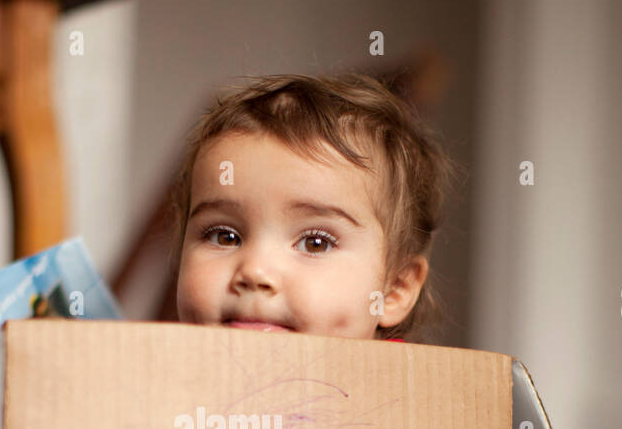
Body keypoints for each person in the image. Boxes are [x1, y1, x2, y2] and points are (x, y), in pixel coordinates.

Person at [168, 72, 457, 342]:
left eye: (315, 243)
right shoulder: (151, 382)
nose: (255, 272)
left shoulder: (412, 394)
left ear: (394, 289)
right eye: (224, 236)